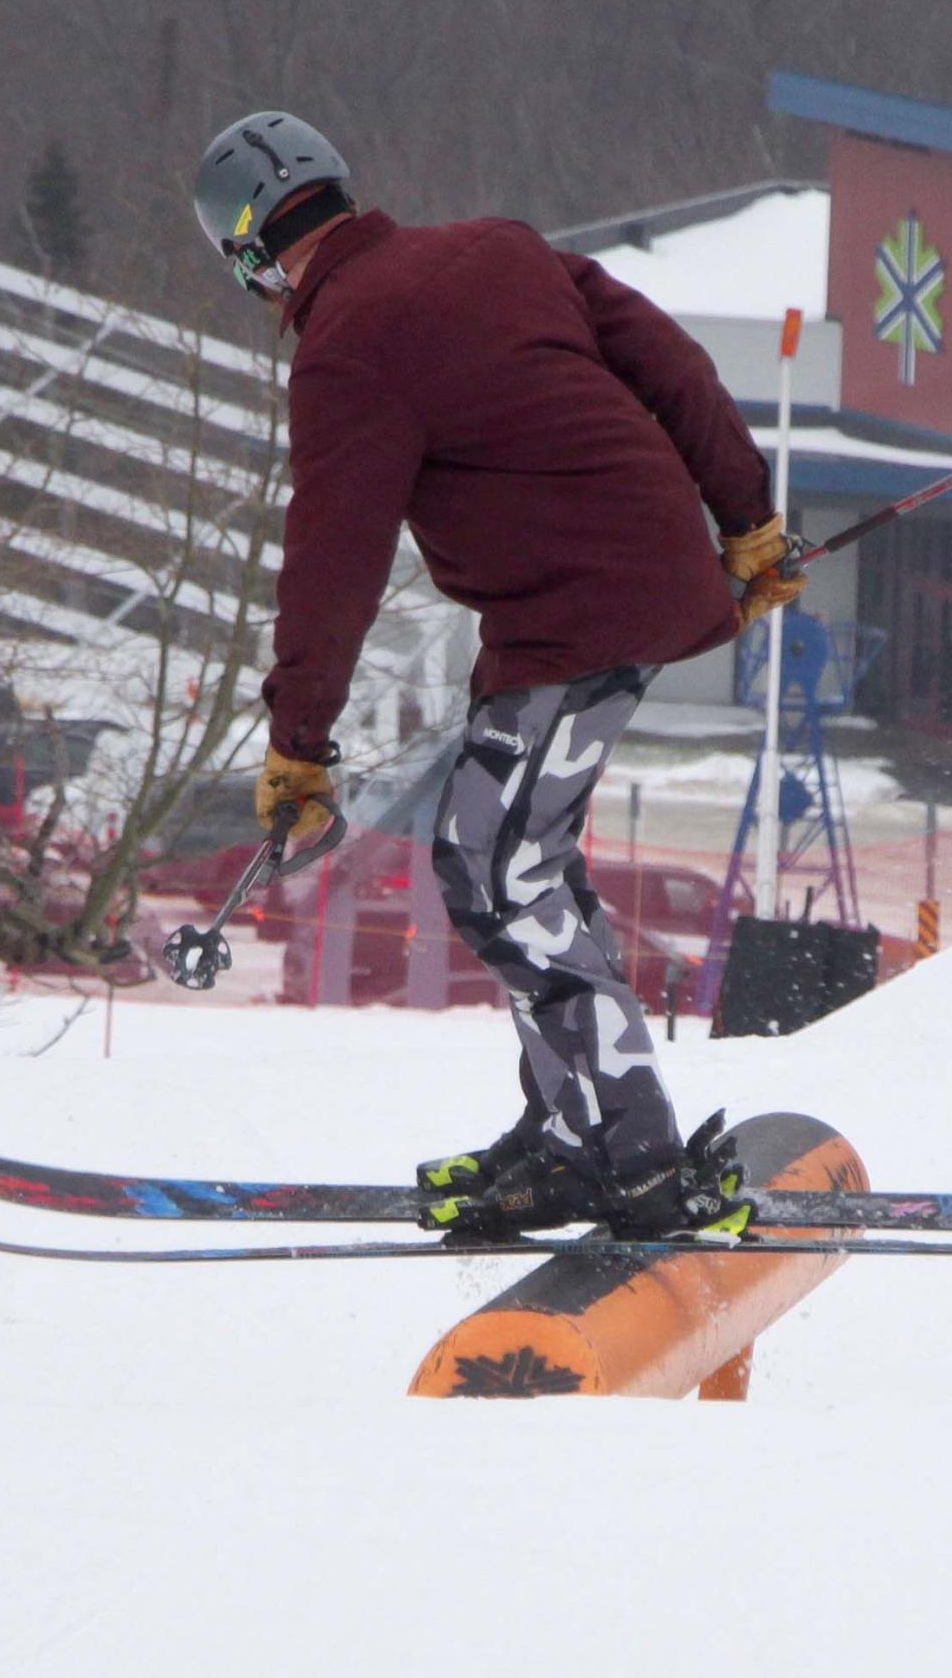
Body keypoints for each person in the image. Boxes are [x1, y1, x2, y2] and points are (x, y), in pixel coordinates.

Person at [191, 112, 805, 1240]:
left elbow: (334, 559)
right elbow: (671, 363)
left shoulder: (345, 346)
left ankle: (638, 1159)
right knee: (520, 863)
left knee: (491, 868)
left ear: (250, 255)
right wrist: (747, 521)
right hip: (601, 601)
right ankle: (572, 1135)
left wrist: (298, 742)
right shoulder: (497, 247)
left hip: (578, 610)